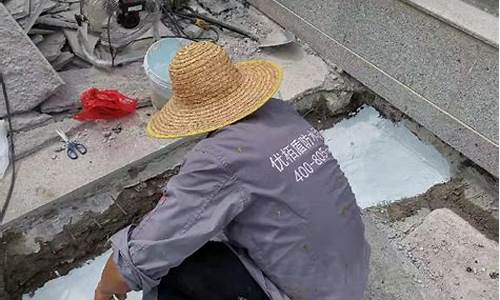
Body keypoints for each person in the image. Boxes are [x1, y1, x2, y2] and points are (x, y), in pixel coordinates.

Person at [94, 41, 370, 300]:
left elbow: (149, 250)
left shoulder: (218, 158)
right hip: (349, 278)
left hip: (310, 294)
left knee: (173, 270)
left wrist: (106, 286)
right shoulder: (280, 113)